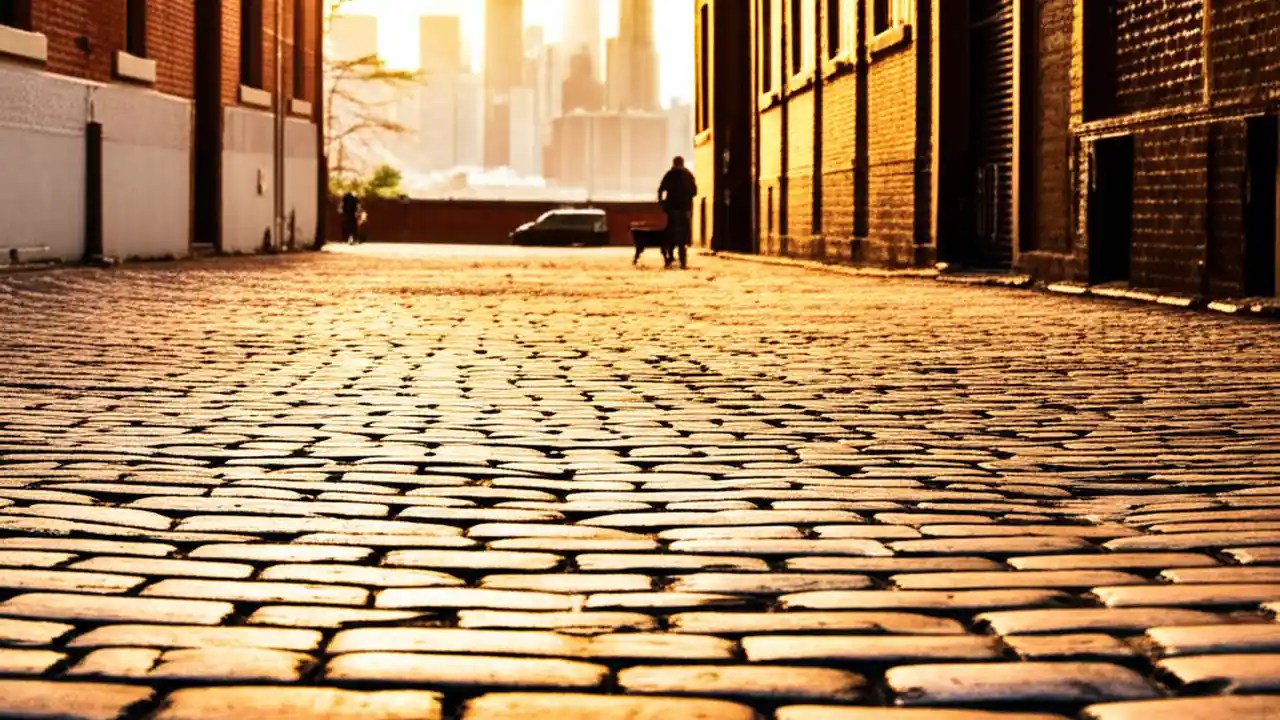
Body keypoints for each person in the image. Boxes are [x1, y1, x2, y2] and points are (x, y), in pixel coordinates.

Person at [658, 156, 698, 269]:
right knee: (683, 234)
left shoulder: (670, 174)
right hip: (685, 209)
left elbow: (661, 189)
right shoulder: (688, 175)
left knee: (671, 232)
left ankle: (670, 256)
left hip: (672, 208)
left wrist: (662, 203)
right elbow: (694, 191)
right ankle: (682, 259)